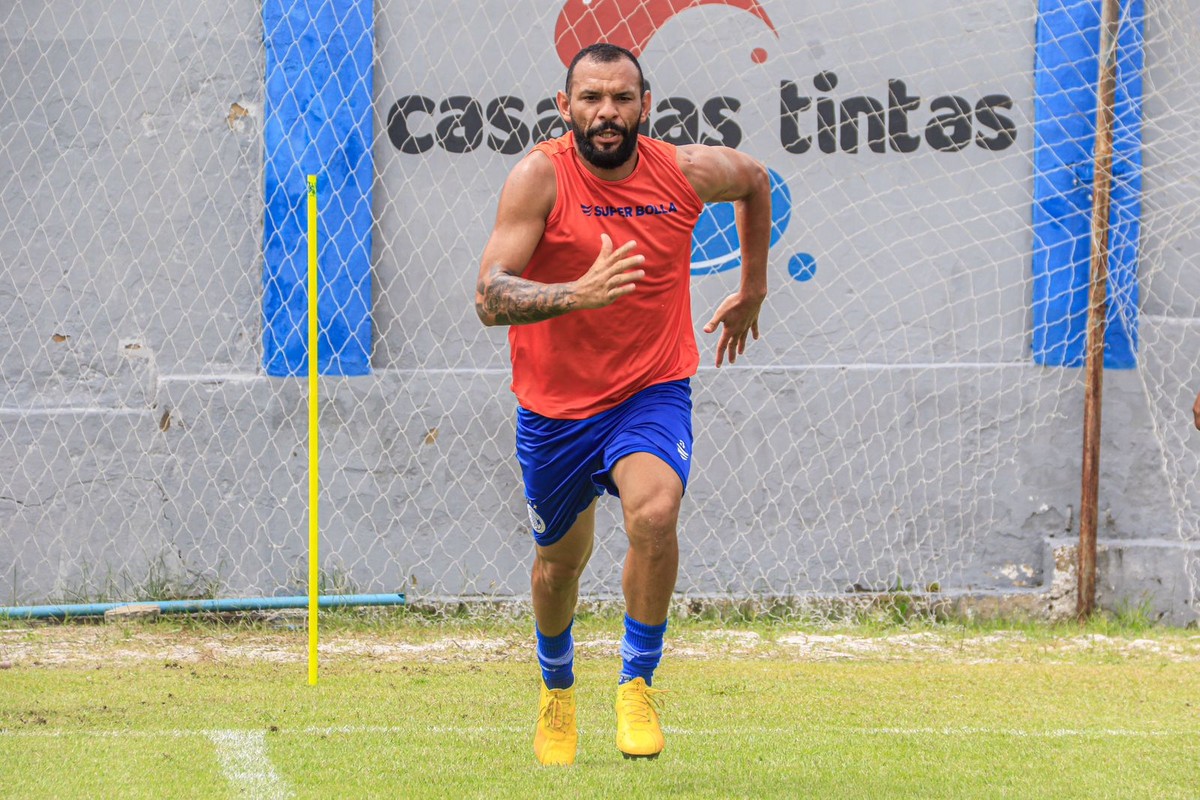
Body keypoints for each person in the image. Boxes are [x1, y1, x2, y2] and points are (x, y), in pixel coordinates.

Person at [475, 42, 772, 765]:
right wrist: (579, 293)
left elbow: (757, 180)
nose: (607, 113)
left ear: (646, 105)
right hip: (556, 409)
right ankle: (557, 691)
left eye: (621, 98)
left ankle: (637, 684)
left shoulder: (686, 171)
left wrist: (753, 287)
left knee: (655, 512)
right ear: (564, 107)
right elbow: (488, 297)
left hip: (651, 388)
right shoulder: (539, 178)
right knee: (559, 565)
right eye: (591, 99)